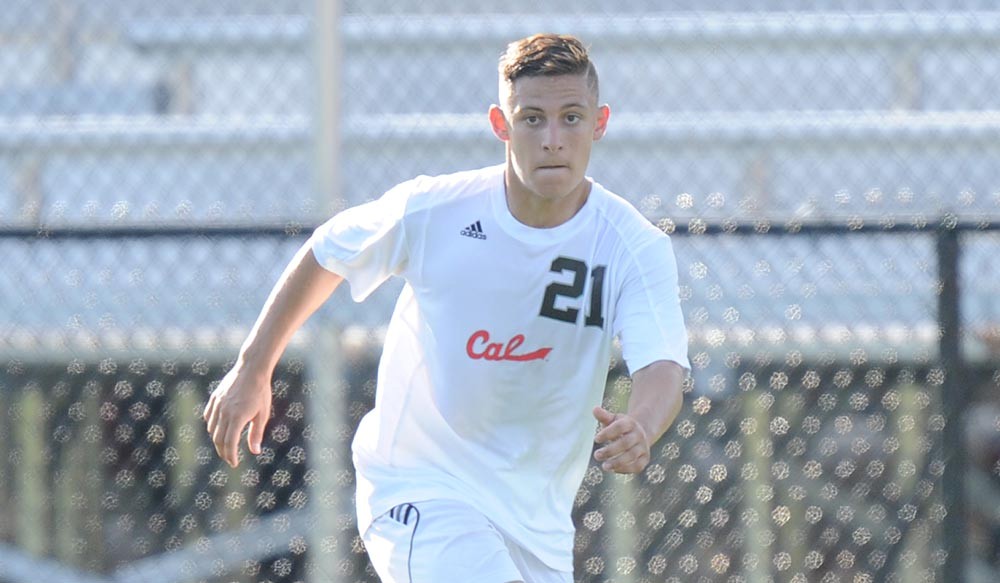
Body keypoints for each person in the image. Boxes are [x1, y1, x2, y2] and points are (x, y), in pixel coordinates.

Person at [203, 33, 689, 583]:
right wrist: (253, 367)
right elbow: (328, 251)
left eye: (570, 118)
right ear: (500, 125)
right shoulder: (437, 209)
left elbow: (663, 365)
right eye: (532, 119)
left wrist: (643, 427)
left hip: (538, 526)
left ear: (599, 123)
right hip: (420, 490)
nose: (553, 139)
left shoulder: (632, 244)